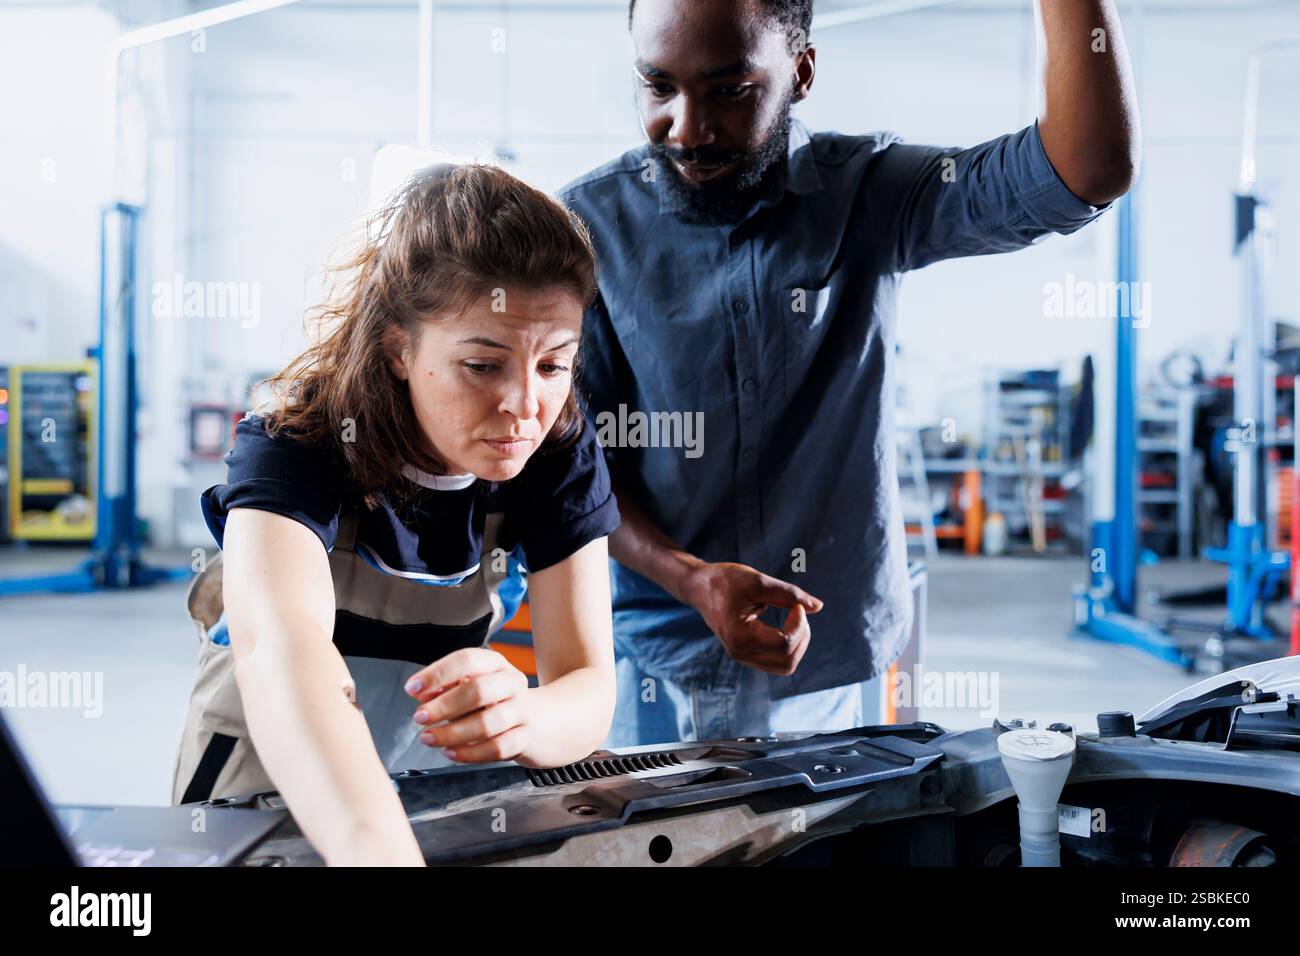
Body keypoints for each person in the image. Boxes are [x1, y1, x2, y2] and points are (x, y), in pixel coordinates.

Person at [558, 0, 1139, 745]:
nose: (689, 130)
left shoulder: (866, 193)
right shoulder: (587, 231)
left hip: (838, 659)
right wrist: (690, 577)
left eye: (729, 90)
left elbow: (1081, 171)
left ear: (800, 72)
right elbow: (581, 471)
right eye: (658, 88)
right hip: (663, 661)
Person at [171, 163, 620, 866]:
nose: (524, 405)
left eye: (553, 366)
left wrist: (527, 717)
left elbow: (588, 684)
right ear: (398, 347)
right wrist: (373, 848)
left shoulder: (559, 449)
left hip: (430, 777)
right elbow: (282, 654)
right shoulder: (296, 439)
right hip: (268, 767)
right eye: (483, 365)